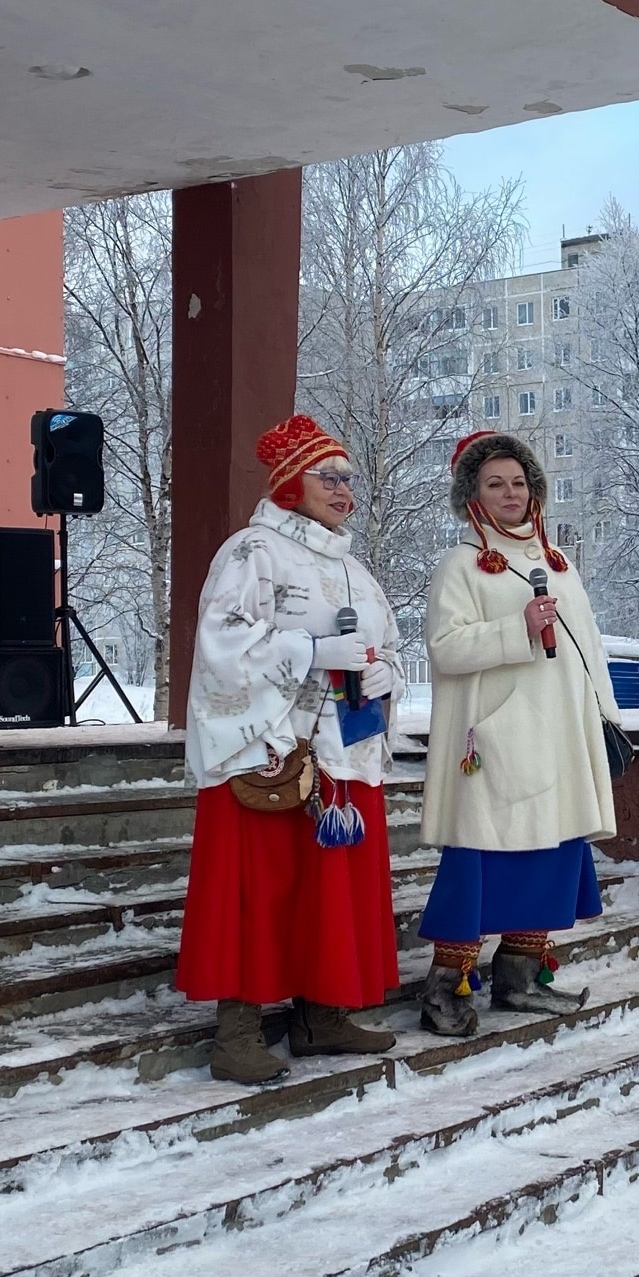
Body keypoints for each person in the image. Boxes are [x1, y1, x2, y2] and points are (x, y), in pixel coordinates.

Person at [177, 414, 404, 1084]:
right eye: (328, 477)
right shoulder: (253, 551)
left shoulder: (354, 568)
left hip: (345, 748)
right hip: (271, 751)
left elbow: (382, 641)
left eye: (348, 479)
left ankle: (322, 1014)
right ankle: (238, 1030)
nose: (344, 491)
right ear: (289, 484)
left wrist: (385, 671)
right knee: (262, 887)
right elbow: (223, 643)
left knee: (328, 892)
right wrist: (310, 652)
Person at [416, 431, 624, 1037]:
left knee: (553, 856)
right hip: (499, 741)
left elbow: (589, 653)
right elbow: (445, 648)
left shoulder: (557, 560)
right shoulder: (461, 564)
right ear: (472, 495)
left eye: (519, 481)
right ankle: (445, 988)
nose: (511, 493)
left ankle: (521, 977)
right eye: (494, 483)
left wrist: (607, 721)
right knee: (479, 864)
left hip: (560, 738)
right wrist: (517, 628)